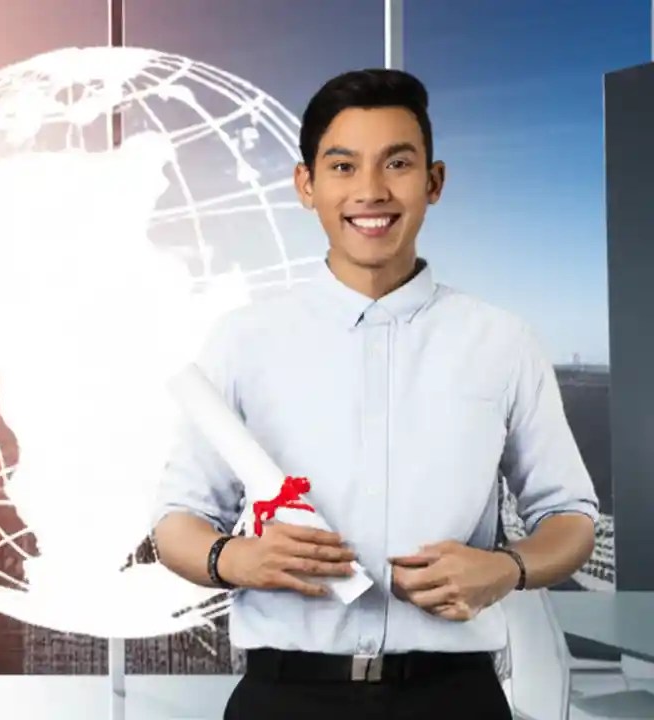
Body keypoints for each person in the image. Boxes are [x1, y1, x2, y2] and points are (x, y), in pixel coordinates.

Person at [151, 68, 599, 720]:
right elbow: (177, 522)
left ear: (433, 182)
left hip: (455, 699)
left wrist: (507, 569)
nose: (370, 191)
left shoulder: (502, 342)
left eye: (397, 164)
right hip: (284, 698)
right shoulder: (243, 341)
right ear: (306, 185)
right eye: (342, 166)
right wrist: (236, 558)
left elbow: (570, 517)